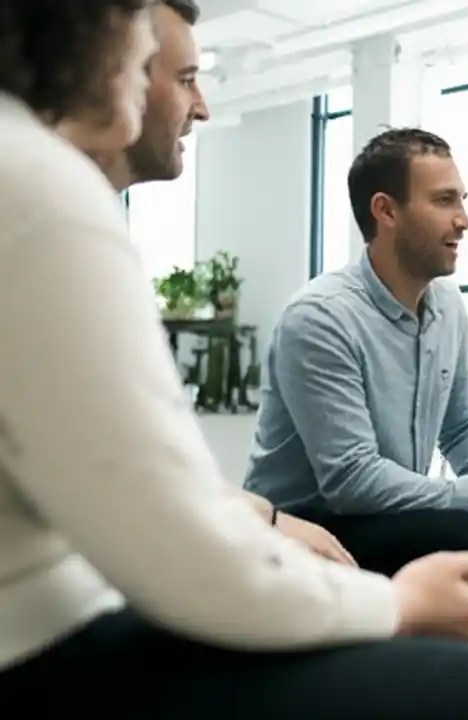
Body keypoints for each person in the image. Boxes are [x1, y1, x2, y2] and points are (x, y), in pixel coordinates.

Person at [0, 1, 468, 718]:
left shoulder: (32, 184)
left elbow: (112, 487)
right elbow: (179, 549)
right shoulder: (44, 194)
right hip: (48, 642)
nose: (199, 105)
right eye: (172, 71)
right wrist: (392, 606)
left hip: (72, 607)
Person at [241, 126, 468, 660]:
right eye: (444, 201)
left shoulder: (447, 307)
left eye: (461, 200)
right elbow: (349, 479)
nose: (464, 219)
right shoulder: (319, 319)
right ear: (386, 211)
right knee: (460, 534)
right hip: (309, 529)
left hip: (388, 514)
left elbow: (462, 429)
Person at [88, 0, 356, 567]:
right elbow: (137, 495)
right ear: (112, 78)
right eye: (186, 79)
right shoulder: (59, 223)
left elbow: (142, 470)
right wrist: (391, 609)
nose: (202, 107)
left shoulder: (90, 225)